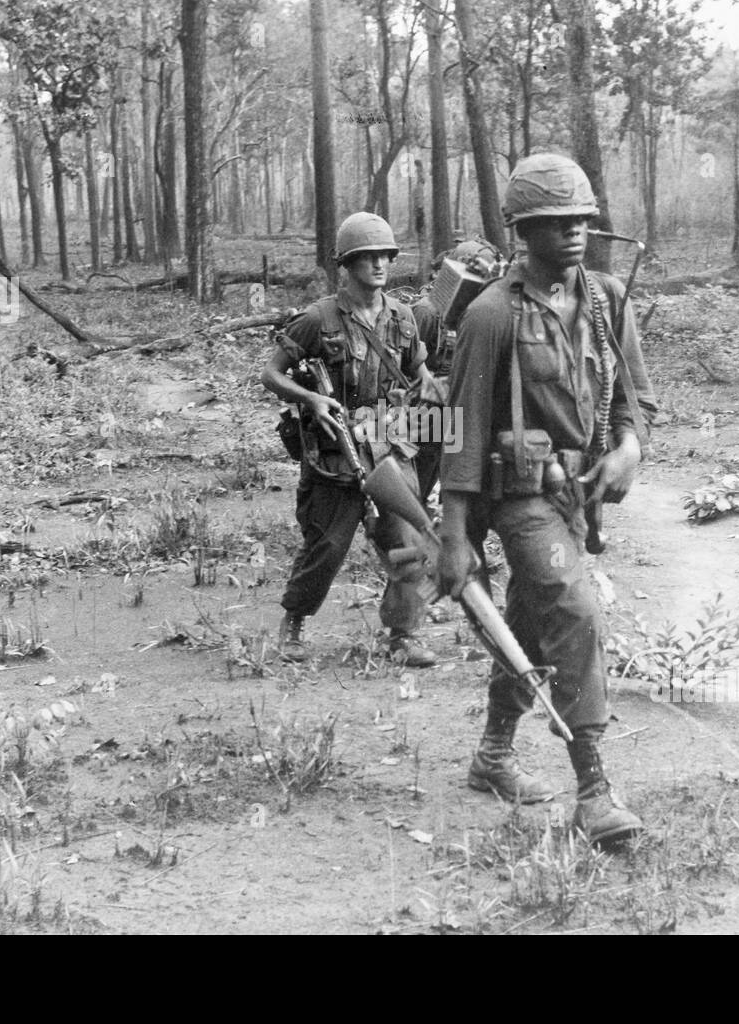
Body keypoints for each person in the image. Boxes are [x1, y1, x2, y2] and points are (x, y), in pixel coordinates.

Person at [437, 154, 658, 847]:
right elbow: (461, 431)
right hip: (518, 497)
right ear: (521, 232)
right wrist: (454, 534)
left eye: (581, 222)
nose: (571, 235)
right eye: (553, 223)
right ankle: (594, 788)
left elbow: (633, 398)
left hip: (578, 495)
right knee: (574, 604)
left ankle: (493, 751)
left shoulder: (604, 299)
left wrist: (629, 447)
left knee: (532, 617)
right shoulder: (492, 314)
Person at [262, 212, 442, 668]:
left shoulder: (403, 318)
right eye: (368, 257)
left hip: (390, 448)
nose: (379, 264)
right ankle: (295, 621)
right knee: (327, 545)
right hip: (335, 453)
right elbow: (271, 374)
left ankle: (401, 635)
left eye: (385, 255)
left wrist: (435, 393)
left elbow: (419, 374)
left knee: (410, 542)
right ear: (346, 263)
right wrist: (312, 400)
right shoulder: (316, 319)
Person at [411, 238, 503, 505]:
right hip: (425, 417)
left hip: (455, 415)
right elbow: (410, 373)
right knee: (417, 481)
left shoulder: (477, 315)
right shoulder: (427, 312)